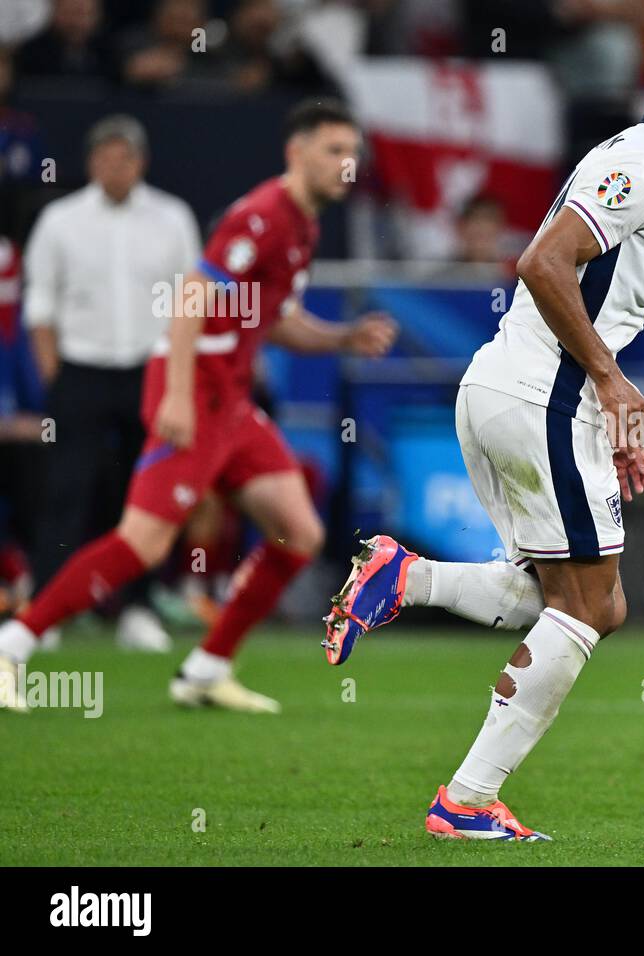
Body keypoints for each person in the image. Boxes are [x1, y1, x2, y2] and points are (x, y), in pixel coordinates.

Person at [321, 13, 644, 841]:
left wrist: (608, 411)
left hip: (526, 396)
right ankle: (466, 800)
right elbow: (543, 262)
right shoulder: (640, 164)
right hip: (537, 397)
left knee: (593, 602)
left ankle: (402, 579)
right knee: (587, 607)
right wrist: (607, 380)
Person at [0, 98, 398, 714]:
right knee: (145, 541)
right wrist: (179, 396)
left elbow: (277, 319)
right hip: (196, 388)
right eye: (333, 151)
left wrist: (343, 336)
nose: (347, 165)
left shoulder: (304, 224)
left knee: (299, 531)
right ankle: (13, 643)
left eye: (353, 153)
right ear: (296, 152)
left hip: (230, 398)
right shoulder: (262, 216)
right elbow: (191, 297)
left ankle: (207, 669)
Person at [22, 115, 200, 653]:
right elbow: (41, 309)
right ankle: (45, 611)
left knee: (145, 498)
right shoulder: (59, 220)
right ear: (90, 162)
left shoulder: (172, 218)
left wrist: (178, 381)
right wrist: (59, 379)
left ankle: (139, 608)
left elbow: (190, 302)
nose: (114, 167)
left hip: (151, 371)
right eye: (104, 157)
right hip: (80, 371)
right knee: (65, 493)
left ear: (140, 162)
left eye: (124, 158)